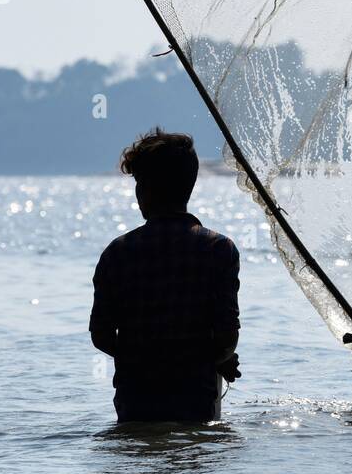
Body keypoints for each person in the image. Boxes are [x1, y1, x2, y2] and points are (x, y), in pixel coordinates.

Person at [89, 128, 241, 423]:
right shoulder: (218, 249)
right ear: (189, 185)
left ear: (143, 188)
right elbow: (226, 338)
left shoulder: (117, 253)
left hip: (136, 405)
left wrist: (144, 359)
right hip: (195, 403)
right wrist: (211, 358)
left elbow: (101, 335)